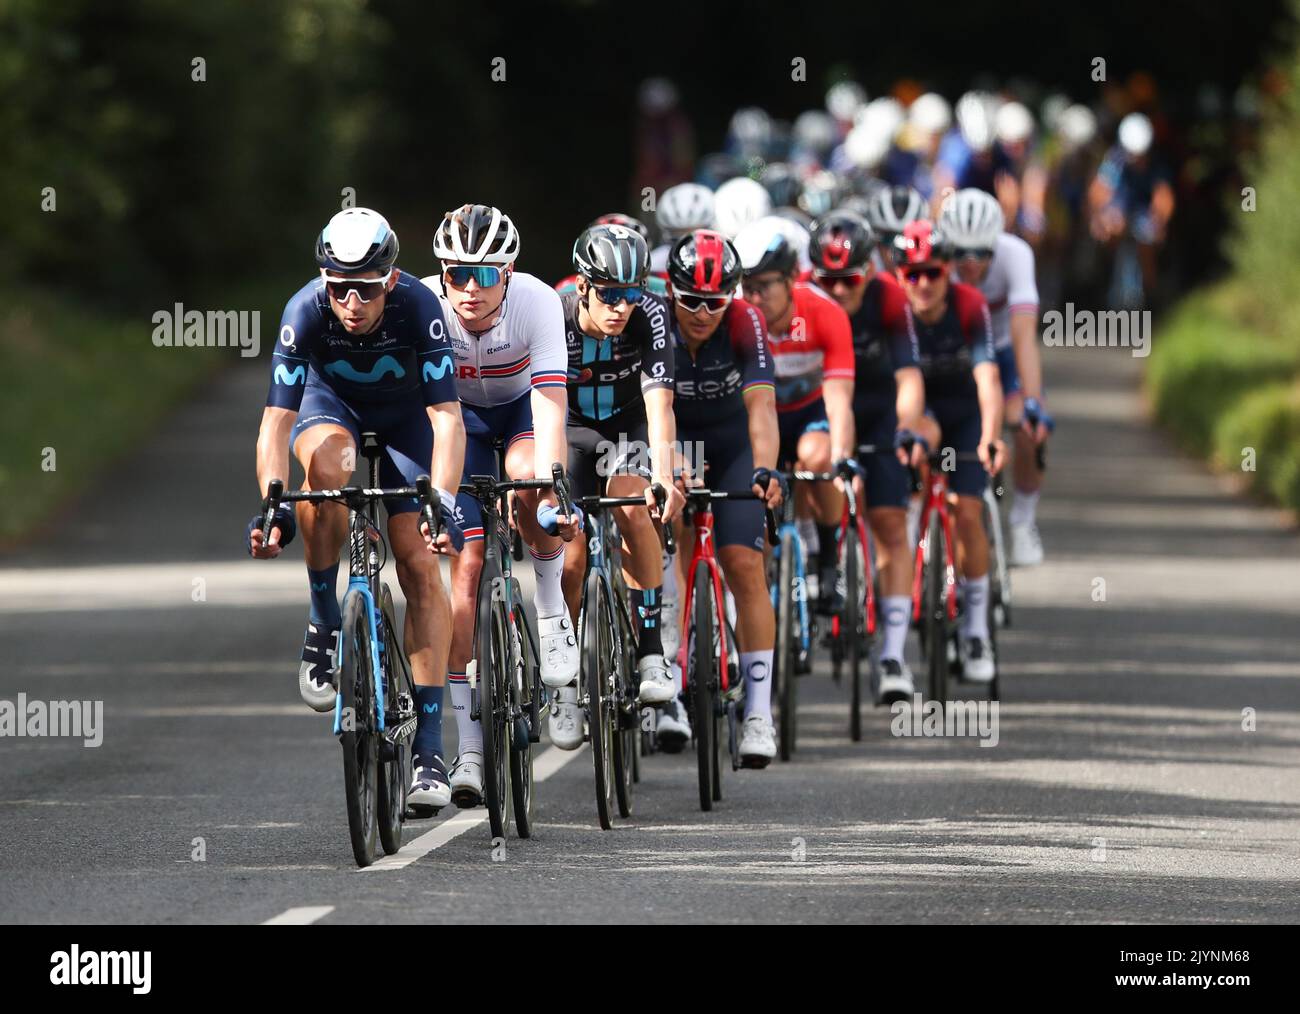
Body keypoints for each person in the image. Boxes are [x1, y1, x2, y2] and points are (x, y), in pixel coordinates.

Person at [249, 207, 466, 811]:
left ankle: (428, 747)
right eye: (337, 285)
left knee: (421, 565)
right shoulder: (305, 311)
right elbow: (276, 424)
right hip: (331, 412)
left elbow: (447, 419)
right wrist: (272, 499)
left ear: (389, 279)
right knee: (328, 470)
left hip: (405, 426)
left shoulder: (420, 307)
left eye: (365, 287)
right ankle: (323, 618)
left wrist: (442, 501)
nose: (350, 299)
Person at [421, 203, 580, 806]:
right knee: (462, 576)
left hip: (517, 416)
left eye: (483, 275)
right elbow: (429, 417)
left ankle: (548, 605)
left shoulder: (538, 303)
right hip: (456, 425)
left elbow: (550, 408)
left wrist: (553, 486)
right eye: (455, 273)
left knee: (528, 477)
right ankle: (467, 750)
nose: (467, 289)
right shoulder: (426, 305)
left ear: (508, 274)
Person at [557, 222, 686, 752]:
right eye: (609, 293)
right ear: (583, 286)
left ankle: (651, 650)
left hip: (627, 425)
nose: (620, 306)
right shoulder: (555, 314)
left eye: (631, 293)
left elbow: (660, 404)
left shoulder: (652, 316)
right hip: (568, 429)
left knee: (633, 504)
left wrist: (665, 474)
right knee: (569, 551)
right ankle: (564, 682)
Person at [665, 229, 784, 766]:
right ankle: (669, 670)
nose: (701, 312)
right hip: (675, 440)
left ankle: (759, 712)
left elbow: (761, 407)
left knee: (742, 562)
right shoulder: (655, 320)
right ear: (671, 290)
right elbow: (655, 407)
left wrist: (764, 469)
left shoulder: (745, 322)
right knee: (671, 552)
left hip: (735, 444)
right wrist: (667, 463)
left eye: (714, 302)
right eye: (690, 299)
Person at [807, 211, 923, 701]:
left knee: (891, 523)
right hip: (819, 409)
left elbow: (909, 377)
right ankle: (813, 559)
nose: (836, 292)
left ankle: (893, 654)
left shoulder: (891, 298)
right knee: (809, 472)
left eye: (848, 281)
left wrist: (905, 429)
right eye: (826, 280)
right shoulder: (802, 301)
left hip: (875, 411)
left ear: (870, 274)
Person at [893, 221, 1006, 682]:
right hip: (916, 412)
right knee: (901, 492)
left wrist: (992, 435)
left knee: (967, 510)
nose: (922, 284)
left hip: (963, 414)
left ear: (949, 273)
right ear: (899, 274)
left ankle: (976, 628)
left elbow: (987, 378)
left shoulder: (969, 305)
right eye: (912, 273)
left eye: (932, 273)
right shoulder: (893, 309)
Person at [734, 221, 855, 614]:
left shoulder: (825, 312)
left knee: (818, 459)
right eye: (746, 287)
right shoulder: (737, 318)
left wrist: (841, 455)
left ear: (790, 280)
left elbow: (838, 399)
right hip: (757, 420)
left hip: (809, 416)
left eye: (763, 287)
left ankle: (827, 559)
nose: (753, 298)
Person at [940, 188, 1052, 566]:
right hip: (952, 357)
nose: (969, 263)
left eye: (981, 253)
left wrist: (1033, 400)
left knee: (1026, 426)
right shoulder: (935, 261)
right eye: (960, 254)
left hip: (1002, 352)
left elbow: (1024, 336)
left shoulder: (1016, 254)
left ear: (995, 245)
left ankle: (1022, 521)